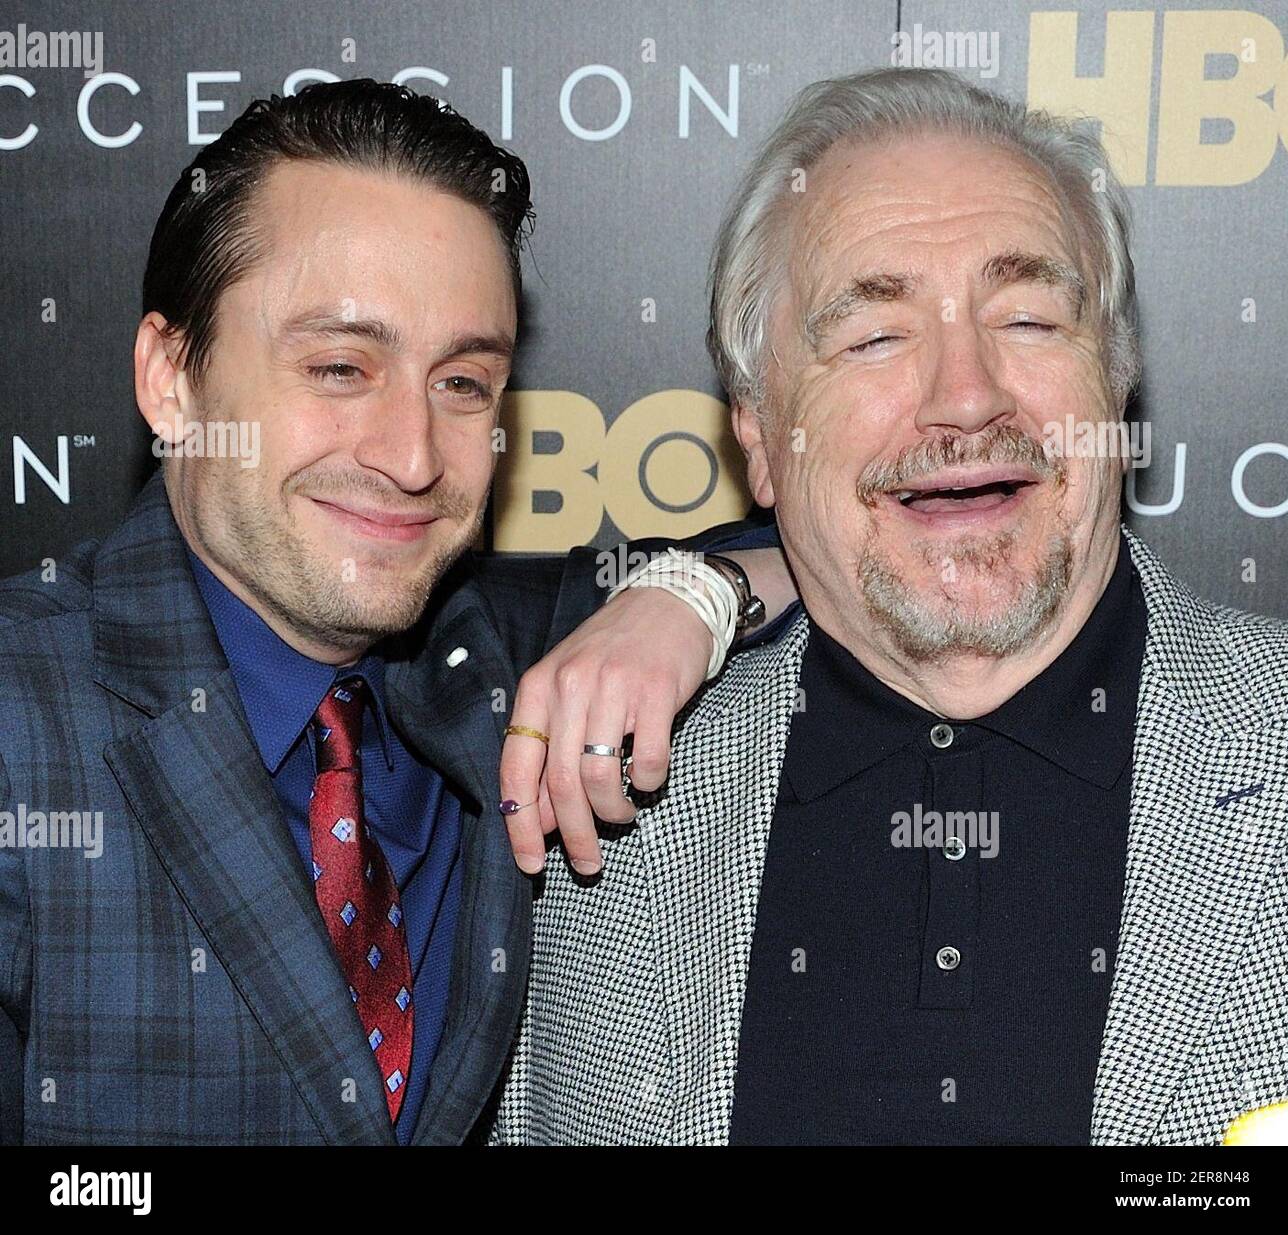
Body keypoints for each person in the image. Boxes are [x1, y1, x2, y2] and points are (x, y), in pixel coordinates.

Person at [492, 67, 1288, 1146]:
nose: (964, 394)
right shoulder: (600, 814)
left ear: (1116, 380)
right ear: (761, 438)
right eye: (873, 336)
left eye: (1027, 316)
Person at [0, 79, 790, 1146]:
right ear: (170, 378)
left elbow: (847, 539)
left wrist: (689, 595)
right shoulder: (24, 716)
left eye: (463, 384)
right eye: (339, 367)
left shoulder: (499, 649)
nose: (412, 456)